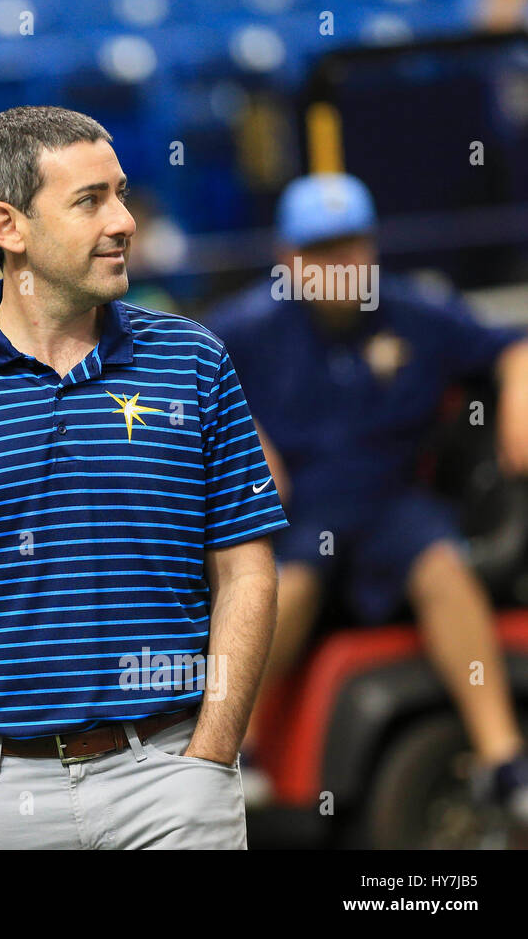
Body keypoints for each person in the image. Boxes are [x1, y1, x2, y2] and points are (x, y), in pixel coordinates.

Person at [0, 106, 288, 849]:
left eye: (121, 193)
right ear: (8, 227)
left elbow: (246, 567)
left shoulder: (195, 359)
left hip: (172, 777)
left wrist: (210, 752)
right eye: (90, 201)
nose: (125, 221)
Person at [205, 172, 528, 820]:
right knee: (280, 584)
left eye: (354, 246)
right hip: (298, 511)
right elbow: (176, 384)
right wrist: (242, 433)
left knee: (442, 566)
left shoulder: (416, 312)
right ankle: (233, 754)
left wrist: (519, 385)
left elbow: (507, 344)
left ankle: (504, 765)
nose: (342, 265)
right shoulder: (243, 329)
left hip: (391, 503)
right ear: (289, 261)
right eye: (322, 251)